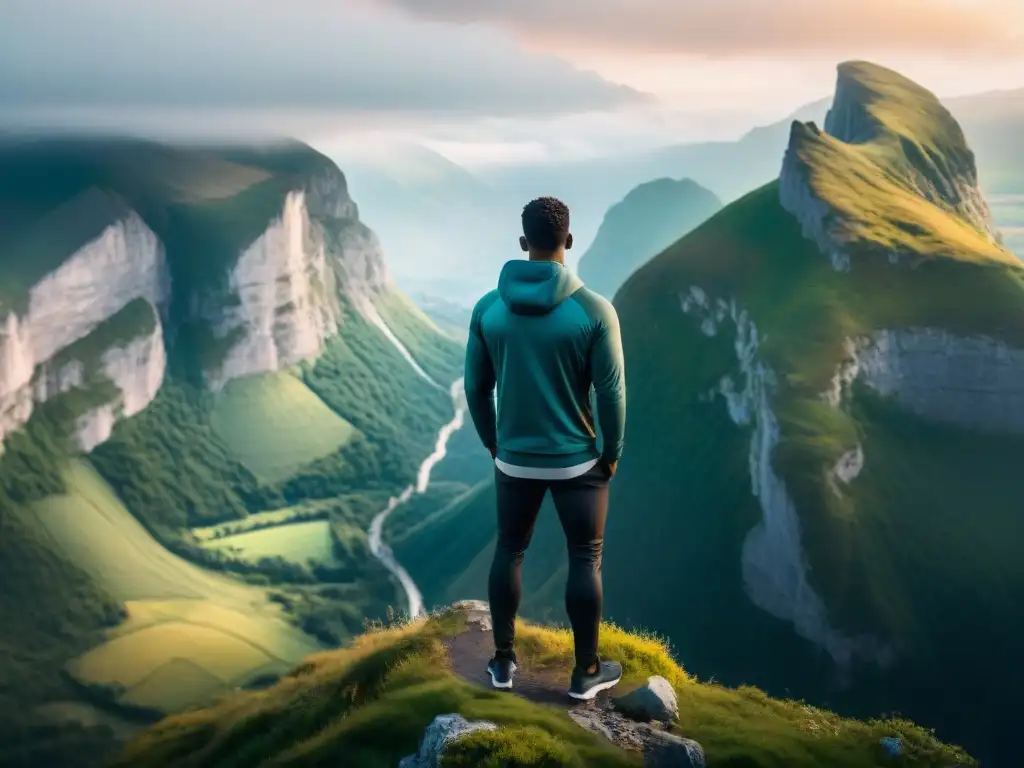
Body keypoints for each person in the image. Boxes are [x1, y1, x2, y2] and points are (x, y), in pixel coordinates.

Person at [464, 196, 626, 701]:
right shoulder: (595, 311)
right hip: (579, 460)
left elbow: (475, 388)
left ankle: (502, 663)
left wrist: (494, 442)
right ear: (569, 241)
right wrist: (611, 450)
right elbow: (613, 392)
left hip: (513, 458)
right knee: (585, 557)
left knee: (509, 549)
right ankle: (586, 673)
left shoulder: (488, 309)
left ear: (522, 243)